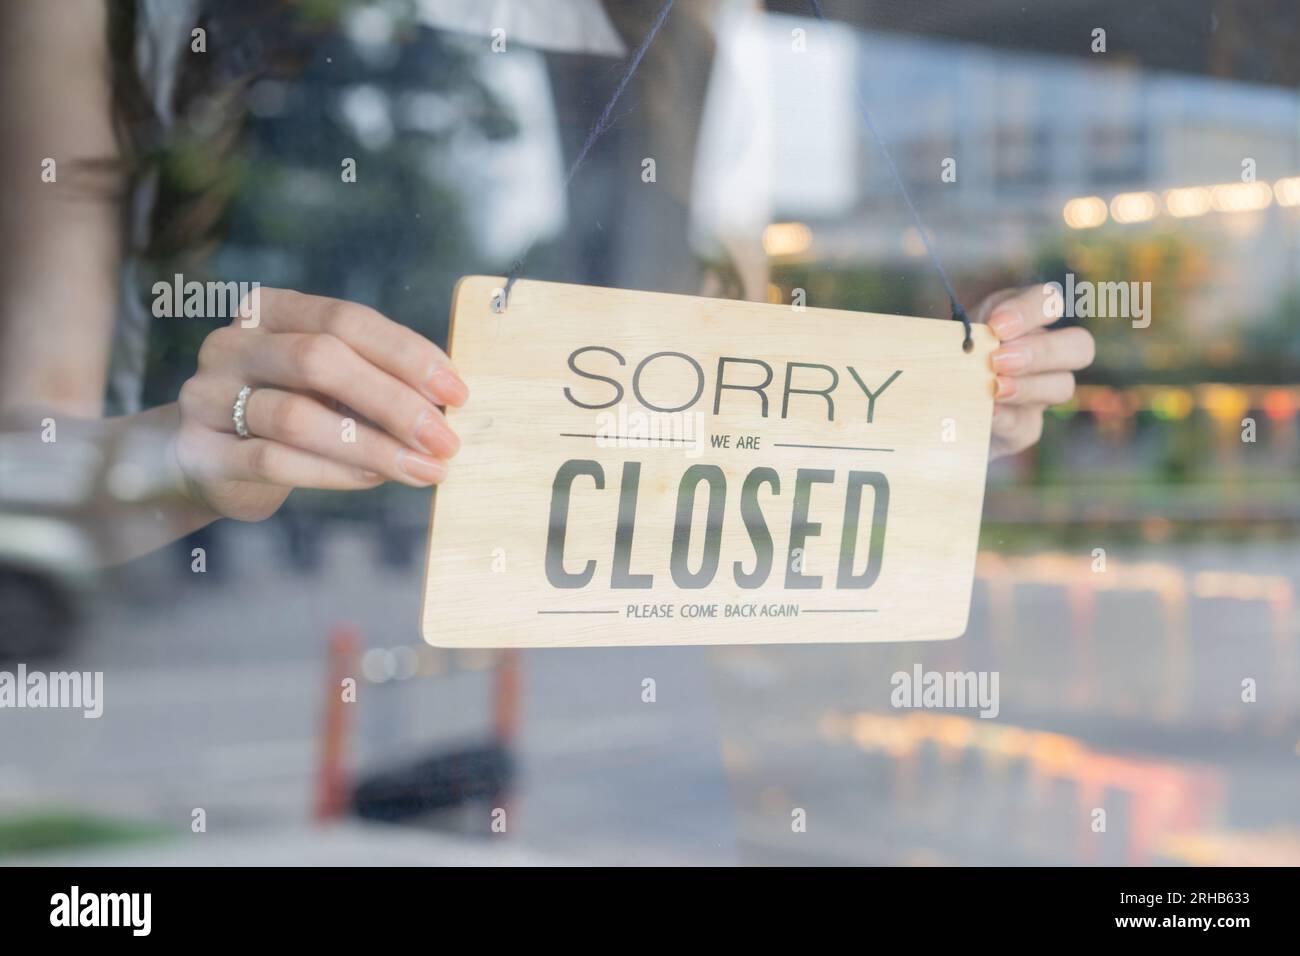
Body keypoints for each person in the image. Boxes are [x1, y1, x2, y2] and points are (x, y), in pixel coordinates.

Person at [0, 0, 1093, 565]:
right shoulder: (98, 35)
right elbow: (26, 489)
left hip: (628, 776)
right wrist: (183, 457)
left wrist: (923, 412)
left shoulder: (690, 40)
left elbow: (681, 438)